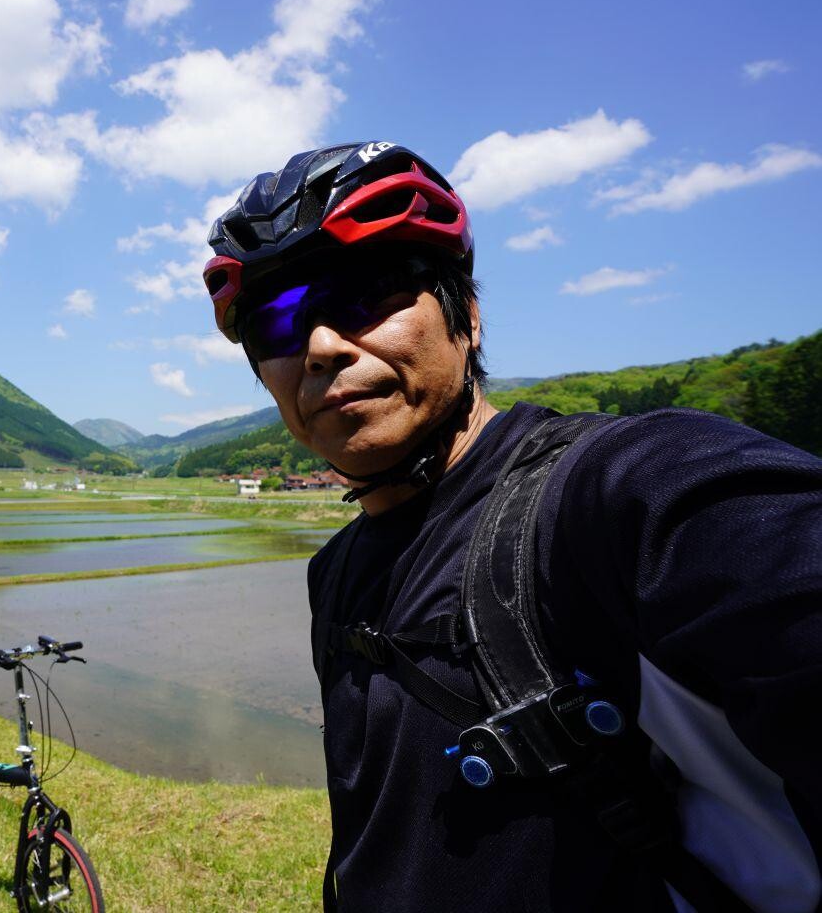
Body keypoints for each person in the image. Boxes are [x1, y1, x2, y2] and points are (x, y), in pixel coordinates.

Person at [200, 142, 822, 912]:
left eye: (366, 292)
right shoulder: (336, 569)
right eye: (278, 322)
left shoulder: (623, 491)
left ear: (468, 314)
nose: (321, 346)